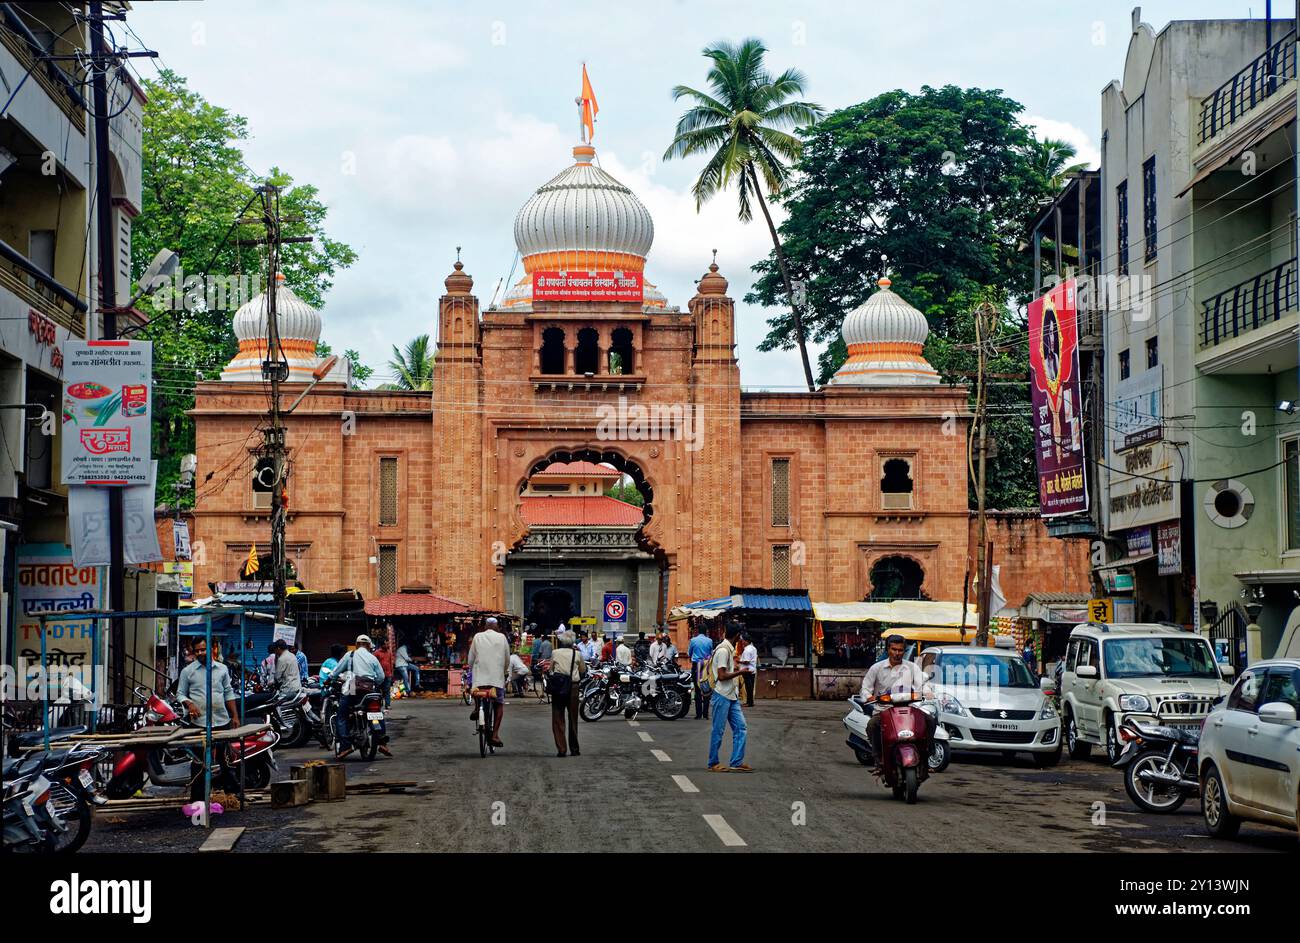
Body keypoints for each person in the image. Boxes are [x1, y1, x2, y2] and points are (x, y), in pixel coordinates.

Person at [175, 637, 241, 800]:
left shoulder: (222, 669)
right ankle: (198, 799)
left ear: (211, 649)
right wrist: (189, 704)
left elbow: (228, 692)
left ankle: (232, 794)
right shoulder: (187, 671)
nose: (200, 653)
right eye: (197, 650)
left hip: (221, 720)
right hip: (199, 723)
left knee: (226, 759)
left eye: (203, 649)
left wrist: (235, 715)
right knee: (199, 762)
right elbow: (180, 693)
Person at [859, 634, 933, 763]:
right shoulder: (876, 668)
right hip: (884, 710)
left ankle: (926, 756)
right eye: (894, 649)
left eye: (900, 650)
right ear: (888, 649)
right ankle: (879, 760)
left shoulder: (912, 667)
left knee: (930, 721)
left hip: (909, 709)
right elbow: (865, 688)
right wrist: (869, 697)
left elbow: (922, 684)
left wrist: (927, 692)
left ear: (904, 651)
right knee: (872, 725)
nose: (897, 653)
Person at [334, 635, 391, 758]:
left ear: (356, 644)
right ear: (369, 646)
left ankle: (345, 747)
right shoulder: (372, 657)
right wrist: (374, 683)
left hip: (354, 685)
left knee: (342, 715)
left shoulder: (350, 655)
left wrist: (330, 679)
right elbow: (381, 677)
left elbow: (336, 672)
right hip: (370, 688)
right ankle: (382, 743)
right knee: (377, 712)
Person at [707, 622, 751, 772]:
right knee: (718, 730)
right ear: (737, 635)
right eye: (740, 635)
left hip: (731, 695)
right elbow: (722, 675)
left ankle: (736, 762)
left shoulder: (727, 649)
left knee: (741, 727)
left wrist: (737, 669)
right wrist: (740, 672)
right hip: (722, 695)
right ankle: (713, 762)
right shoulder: (723, 650)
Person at [467, 617, 510, 748]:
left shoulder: (477, 636)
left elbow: (471, 659)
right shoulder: (502, 637)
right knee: (499, 704)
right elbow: (507, 658)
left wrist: (471, 668)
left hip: (480, 678)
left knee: (476, 690)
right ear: (496, 626)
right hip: (496, 679)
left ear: (485, 626)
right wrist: (503, 671)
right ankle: (495, 734)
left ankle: (476, 708)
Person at [548, 631, 587, 757]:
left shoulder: (555, 653)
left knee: (558, 718)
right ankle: (574, 749)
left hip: (558, 687)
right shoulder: (577, 654)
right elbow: (583, 670)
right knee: (573, 718)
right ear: (573, 642)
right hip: (573, 687)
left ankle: (561, 748)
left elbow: (551, 669)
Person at [688, 626, 714, 720]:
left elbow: (689, 653)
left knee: (697, 690)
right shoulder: (710, 641)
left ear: (697, 631)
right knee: (706, 688)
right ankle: (705, 714)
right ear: (706, 631)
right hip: (706, 666)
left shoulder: (693, 640)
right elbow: (711, 653)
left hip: (696, 666)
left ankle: (698, 714)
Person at [738, 631, 758, 707]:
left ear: (746, 641)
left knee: (748, 687)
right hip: (752, 670)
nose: (742, 642)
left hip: (747, 670)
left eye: (743, 640)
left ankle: (749, 702)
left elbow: (746, 661)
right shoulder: (753, 648)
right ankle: (750, 701)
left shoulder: (747, 650)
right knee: (750, 687)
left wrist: (738, 661)